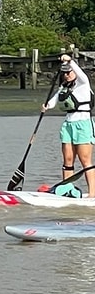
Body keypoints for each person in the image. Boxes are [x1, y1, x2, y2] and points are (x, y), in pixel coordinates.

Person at [42, 55, 95, 199]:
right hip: (68, 125)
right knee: (68, 160)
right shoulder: (64, 87)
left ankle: (92, 194)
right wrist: (46, 106)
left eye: (69, 72)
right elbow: (53, 101)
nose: (66, 75)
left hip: (83, 124)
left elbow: (81, 74)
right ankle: (67, 190)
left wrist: (69, 60)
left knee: (85, 160)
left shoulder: (83, 83)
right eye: (64, 73)